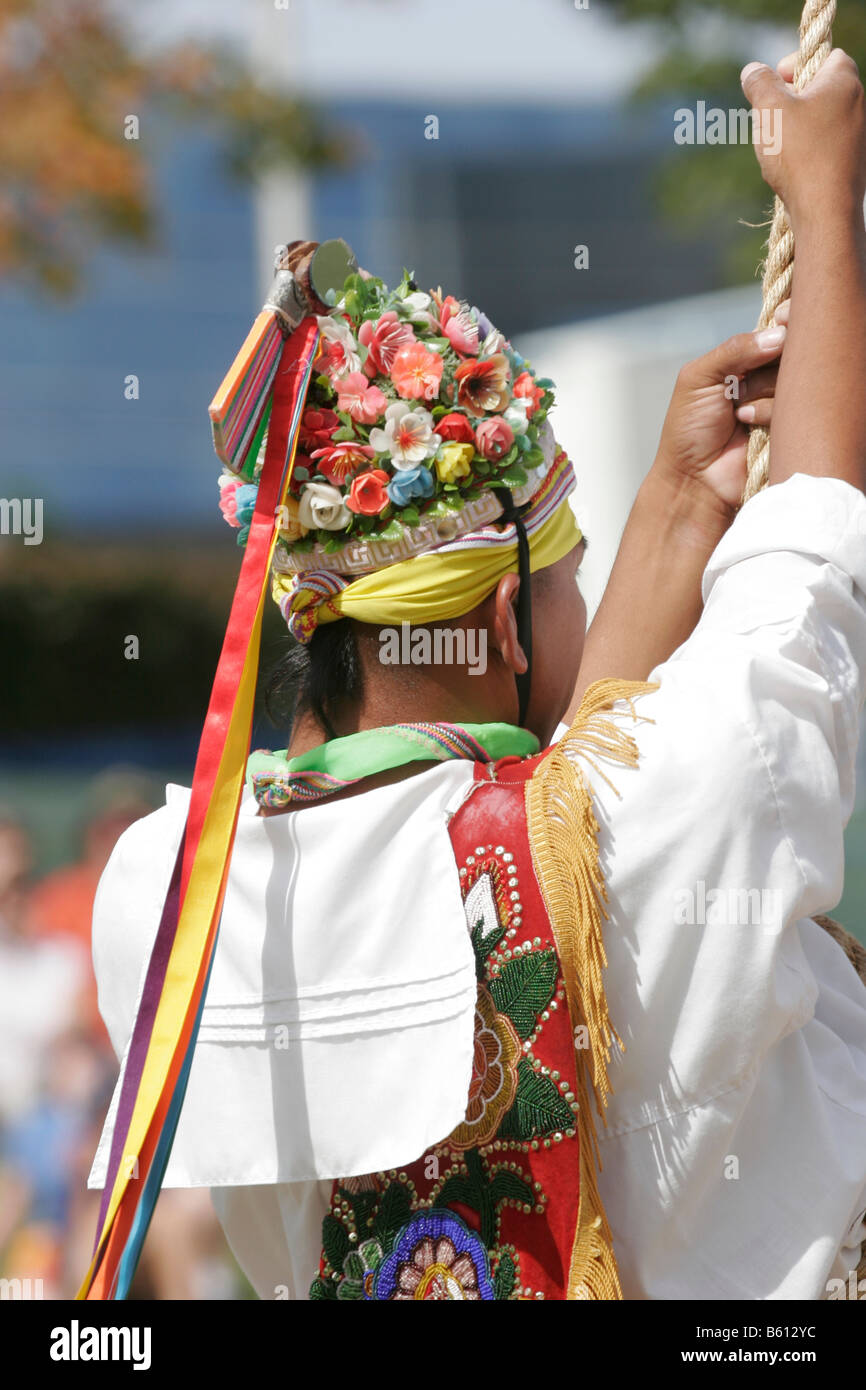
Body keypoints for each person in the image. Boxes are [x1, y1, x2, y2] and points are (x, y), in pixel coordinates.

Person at [88, 49, 866, 1300]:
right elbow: (812, 545)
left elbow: (533, 818)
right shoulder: (638, 823)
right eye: (567, 576)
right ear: (505, 622)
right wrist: (828, 205)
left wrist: (676, 503)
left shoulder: (170, 895)